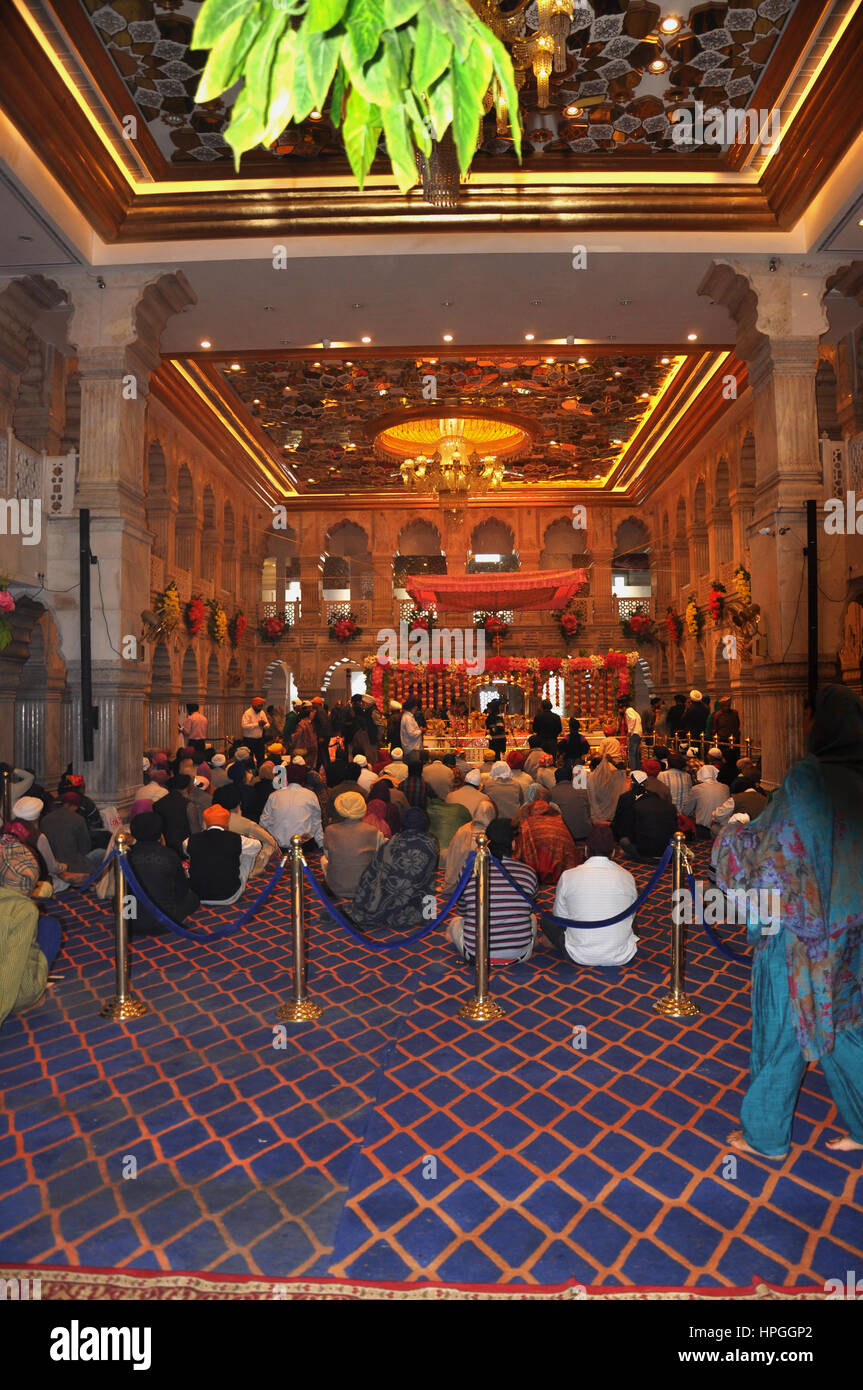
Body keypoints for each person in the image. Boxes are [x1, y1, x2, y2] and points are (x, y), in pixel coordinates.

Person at [715, 685, 863, 1158]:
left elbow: (773, 855)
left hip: (802, 930)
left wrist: (732, 835)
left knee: (783, 1026)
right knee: (844, 1025)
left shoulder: (807, 777)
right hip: (853, 927)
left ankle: (766, 1136)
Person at [546, 822, 639, 968]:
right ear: (613, 852)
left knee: (546, 920)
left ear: (585, 850)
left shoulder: (568, 876)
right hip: (622, 955)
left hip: (578, 955)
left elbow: (560, 918)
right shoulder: (627, 876)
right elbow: (631, 915)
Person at [448, 817, 537, 964]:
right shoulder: (528, 872)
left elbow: (462, 910)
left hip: (476, 953)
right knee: (532, 919)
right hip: (519, 954)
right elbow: (530, 908)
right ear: (513, 844)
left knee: (455, 922)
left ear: (486, 841)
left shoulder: (470, 869)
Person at [0, 849, 62, 1030]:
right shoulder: (23, 910)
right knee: (50, 926)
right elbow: (11, 968)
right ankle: (31, 999)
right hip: (16, 994)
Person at [351, 806, 438, 930]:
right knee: (428, 881)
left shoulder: (392, 841)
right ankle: (427, 914)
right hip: (414, 904)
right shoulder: (430, 842)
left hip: (381, 895)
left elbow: (372, 872)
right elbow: (428, 878)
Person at [127, 811, 200, 936]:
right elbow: (181, 890)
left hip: (128, 921)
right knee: (192, 898)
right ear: (160, 832)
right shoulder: (169, 854)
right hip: (162, 922)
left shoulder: (125, 856)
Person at [186, 803, 257, 905]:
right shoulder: (236, 838)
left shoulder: (190, 840)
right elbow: (257, 846)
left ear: (206, 823)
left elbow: (186, 850)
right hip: (228, 896)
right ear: (225, 823)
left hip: (197, 895)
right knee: (248, 851)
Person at [322, 792, 385, 897]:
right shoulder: (374, 831)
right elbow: (380, 859)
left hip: (335, 887)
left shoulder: (330, 830)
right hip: (366, 889)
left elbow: (328, 857)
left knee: (323, 859)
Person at [512, 793, 580, 884]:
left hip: (533, 871)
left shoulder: (527, 823)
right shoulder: (559, 822)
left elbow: (520, 845)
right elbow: (568, 846)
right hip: (560, 869)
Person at [211, 785, 279, 876]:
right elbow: (269, 839)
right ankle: (254, 870)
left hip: (214, 861)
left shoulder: (208, 818)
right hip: (237, 865)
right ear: (237, 804)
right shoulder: (245, 823)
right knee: (267, 844)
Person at [613, 772, 678, 859]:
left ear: (632, 783)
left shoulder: (625, 797)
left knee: (624, 840)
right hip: (664, 846)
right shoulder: (654, 796)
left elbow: (620, 821)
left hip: (642, 847)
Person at [260, 763, 324, 850]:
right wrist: (321, 845)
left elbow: (263, 822)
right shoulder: (310, 795)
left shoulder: (274, 796)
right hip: (304, 847)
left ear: (286, 777)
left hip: (277, 847)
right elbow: (316, 824)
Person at [443, 795, 496, 894]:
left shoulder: (462, 830)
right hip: (489, 883)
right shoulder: (496, 832)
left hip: (462, 882)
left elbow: (452, 860)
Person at [39, 792, 98, 874]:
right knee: (101, 854)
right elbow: (85, 848)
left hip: (50, 864)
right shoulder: (79, 819)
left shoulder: (45, 819)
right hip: (73, 865)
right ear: (74, 805)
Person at [549, 765, 592, 846]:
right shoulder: (582, 791)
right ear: (572, 777)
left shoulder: (551, 793)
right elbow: (589, 813)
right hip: (585, 832)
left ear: (555, 778)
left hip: (564, 835)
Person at [587, 738, 627, 822]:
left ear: (591, 768)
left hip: (596, 815)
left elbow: (600, 754)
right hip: (611, 813)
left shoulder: (590, 778)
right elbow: (622, 771)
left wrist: (587, 759)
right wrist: (612, 761)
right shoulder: (613, 776)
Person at [685, 764, 730, 838]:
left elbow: (686, 811)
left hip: (703, 829)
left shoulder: (696, 789)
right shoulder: (725, 787)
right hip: (722, 829)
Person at [154, 774, 192, 855]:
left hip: (165, 846)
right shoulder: (188, 804)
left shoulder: (158, 804)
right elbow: (195, 829)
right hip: (185, 847)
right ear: (186, 787)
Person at [241, 696, 269, 764]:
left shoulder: (262, 712)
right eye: (259, 706)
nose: (260, 708)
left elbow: (268, 724)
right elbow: (244, 726)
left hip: (259, 739)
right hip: (249, 740)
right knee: (249, 759)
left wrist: (264, 725)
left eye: (261, 706)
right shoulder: (247, 713)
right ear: (254, 705)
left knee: (261, 758)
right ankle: (251, 773)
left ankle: (260, 772)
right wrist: (257, 724)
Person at [620, 698, 643, 771]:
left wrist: (629, 731)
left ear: (624, 707)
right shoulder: (635, 712)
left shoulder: (628, 711)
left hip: (634, 733)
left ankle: (633, 770)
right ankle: (637, 769)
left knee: (632, 754)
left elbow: (633, 719)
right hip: (638, 734)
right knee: (636, 753)